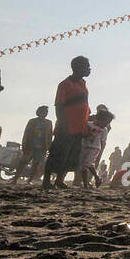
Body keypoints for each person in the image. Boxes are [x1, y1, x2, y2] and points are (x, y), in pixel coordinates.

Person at [42, 56, 92, 188]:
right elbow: (59, 106)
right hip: (66, 127)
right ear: (78, 68)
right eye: (86, 66)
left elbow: (84, 104)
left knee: (71, 156)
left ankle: (59, 180)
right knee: (57, 154)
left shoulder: (83, 84)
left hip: (79, 127)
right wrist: (63, 124)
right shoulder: (65, 84)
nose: (89, 69)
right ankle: (46, 181)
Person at [14, 106, 54, 184]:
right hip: (30, 145)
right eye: (43, 111)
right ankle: (15, 179)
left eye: (46, 112)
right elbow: (26, 133)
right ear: (39, 112)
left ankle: (29, 180)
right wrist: (24, 144)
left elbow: (49, 136)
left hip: (42, 147)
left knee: (36, 164)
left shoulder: (49, 123)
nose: (45, 113)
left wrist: (49, 147)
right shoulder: (32, 121)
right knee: (23, 162)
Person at [79, 105, 114, 187]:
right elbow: (82, 134)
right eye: (106, 122)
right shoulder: (88, 124)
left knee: (85, 165)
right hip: (84, 146)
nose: (106, 124)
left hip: (94, 148)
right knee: (85, 165)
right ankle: (97, 178)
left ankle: (85, 185)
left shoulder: (104, 130)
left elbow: (102, 142)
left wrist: (100, 151)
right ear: (99, 119)